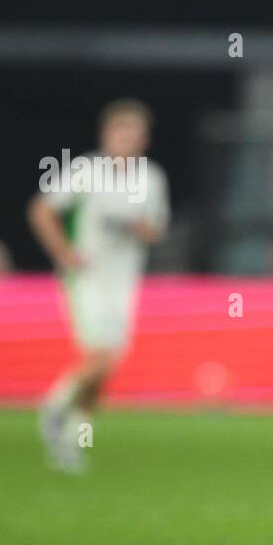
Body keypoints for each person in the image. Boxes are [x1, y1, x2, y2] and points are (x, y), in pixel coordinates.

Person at [27, 99, 169, 473]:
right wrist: (64, 253)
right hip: (87, 277)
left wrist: (142, 230)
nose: (129, 138)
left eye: (136, 132)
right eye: (122, 130)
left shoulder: (150, 178)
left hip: (124, 281)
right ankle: (54, 408)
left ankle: (72, 439)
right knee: (101, 357)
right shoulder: (86, 170)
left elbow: (156, 229)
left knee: (107, 366)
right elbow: (42, 210)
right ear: (108, 133)